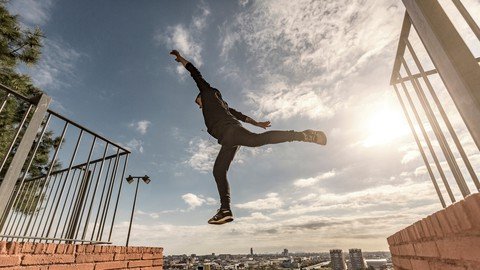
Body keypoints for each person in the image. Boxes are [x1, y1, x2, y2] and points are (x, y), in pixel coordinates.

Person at [170, 50, 327, 225]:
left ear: (202, 96)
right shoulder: (224, 105)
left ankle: (304, 135)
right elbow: (240, 115)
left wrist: (181, 59)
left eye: (197, 102)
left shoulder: (207, 92)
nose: (198, 106)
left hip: (231, 133)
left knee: (258, 140)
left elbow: (195, 73)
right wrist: (257, 123)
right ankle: (225, 210)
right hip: (229, 139)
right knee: (219, 171)